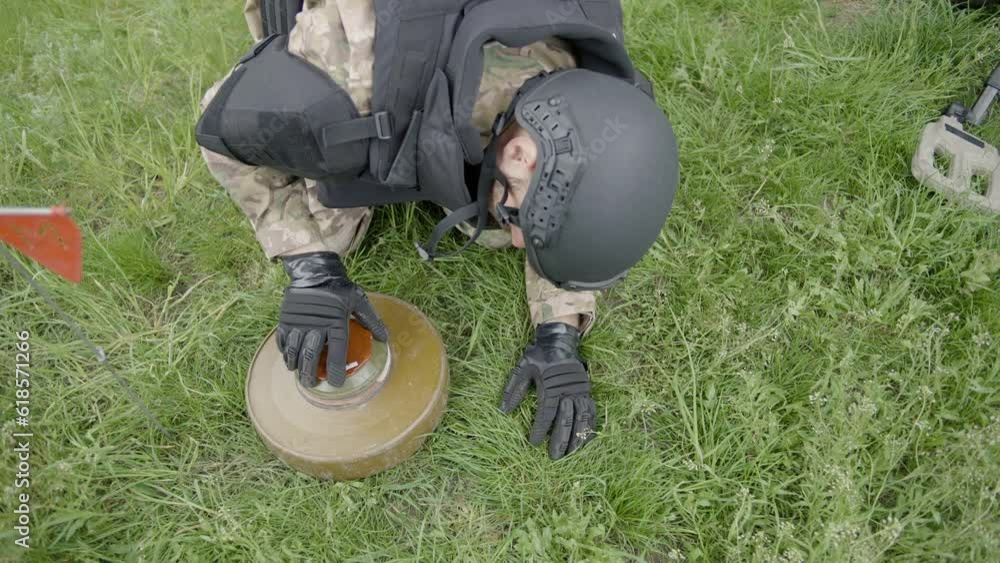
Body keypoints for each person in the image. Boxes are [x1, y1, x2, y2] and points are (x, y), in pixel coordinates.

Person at [197, 0, 678, 459]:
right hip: (359, 62)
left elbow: (571, 193)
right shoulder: (352, 75)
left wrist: (559, 333)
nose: (516, 243)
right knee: (332, 210)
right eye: (521, 223)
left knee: (488, 215)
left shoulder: (592, 80)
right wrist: (311, 267)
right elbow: (218, 129)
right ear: (517, 155)